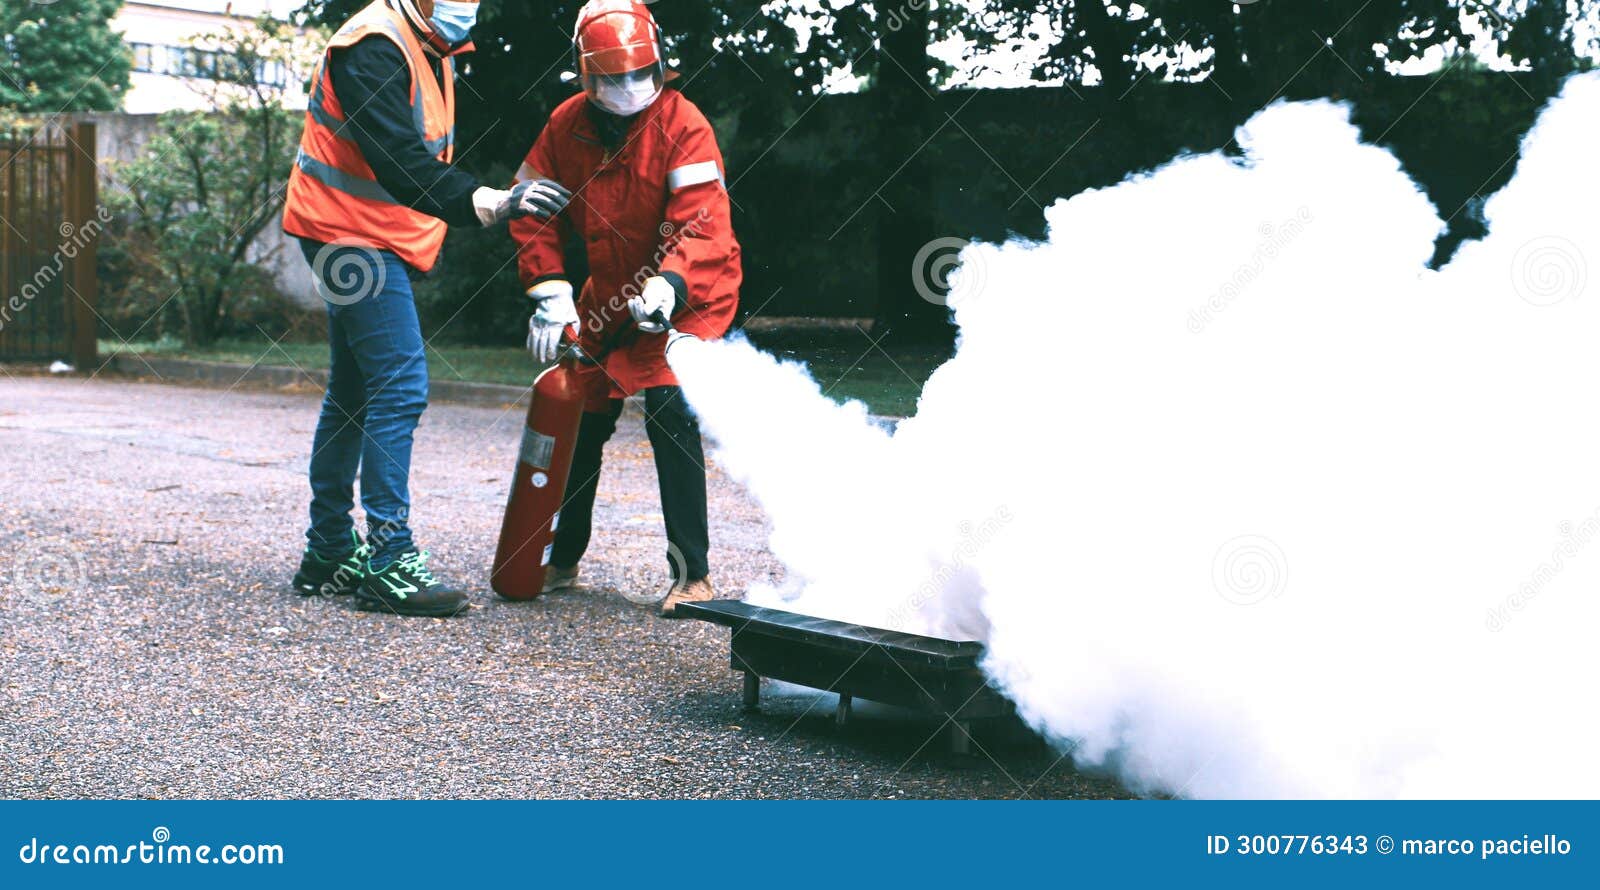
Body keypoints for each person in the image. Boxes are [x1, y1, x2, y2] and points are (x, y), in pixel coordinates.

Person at [281, 0, 571, 617]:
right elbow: (400, 162)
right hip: (345, 236)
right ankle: (388, 560)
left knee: (356, 389)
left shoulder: (425, 42)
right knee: (400, 386)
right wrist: (491, 201)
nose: (467, 7)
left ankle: (330, 549)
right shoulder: (372, 47)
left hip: (361, 231)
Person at [512, 0, 741, 617]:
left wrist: (670, 282)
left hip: (690, 294)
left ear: (660, 65)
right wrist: (549, 295)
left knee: (668, 407)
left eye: (639, 73)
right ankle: (562, 557)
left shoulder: (683, 122)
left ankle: (692, 574)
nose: (628, 88)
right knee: (581, 417)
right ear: (585, 77)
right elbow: (530, 210)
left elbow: (702, 221)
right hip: (608, 297)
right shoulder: (565, 126)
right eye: (612, 78)